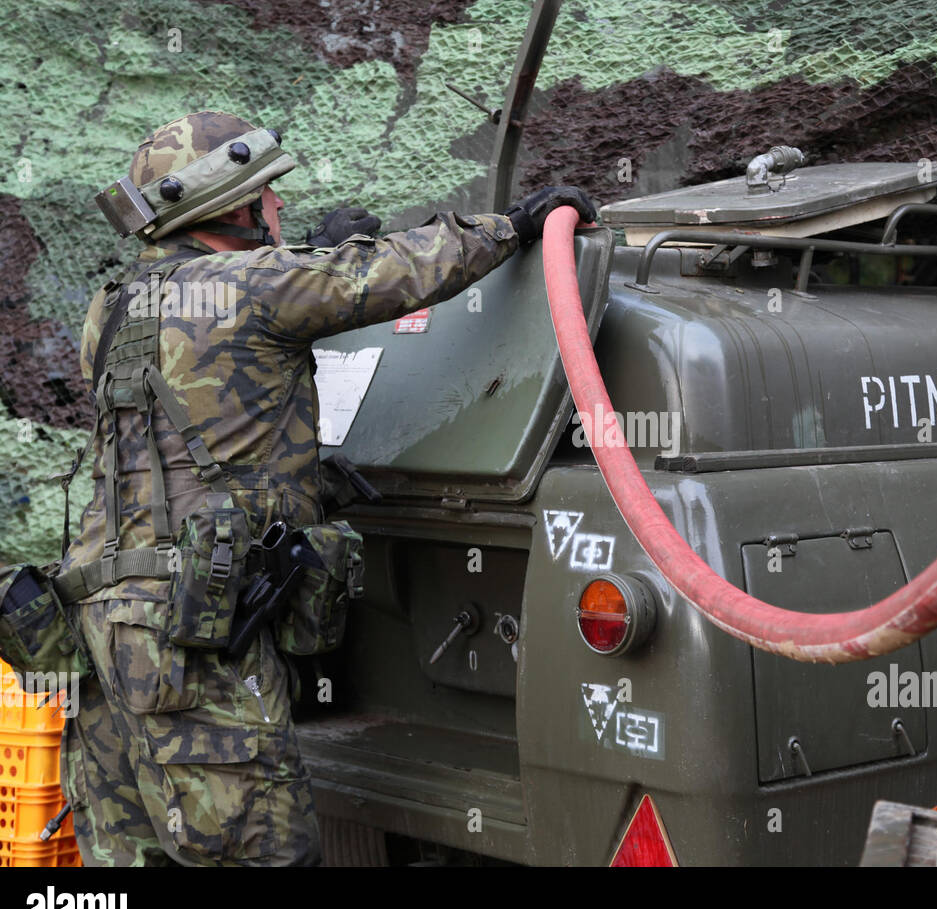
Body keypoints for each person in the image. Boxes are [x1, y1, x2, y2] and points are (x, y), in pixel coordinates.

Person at [57, 109, 595, 865]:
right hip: (190, 632)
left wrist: (308, 251)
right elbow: (397, 272)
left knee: (135, 857)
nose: (278, 209)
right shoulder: (267, 284)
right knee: (259, 848)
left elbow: (211, 387)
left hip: (101, 624)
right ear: (235, 208)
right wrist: (511, 225)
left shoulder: (110, 309)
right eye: (270, 198)